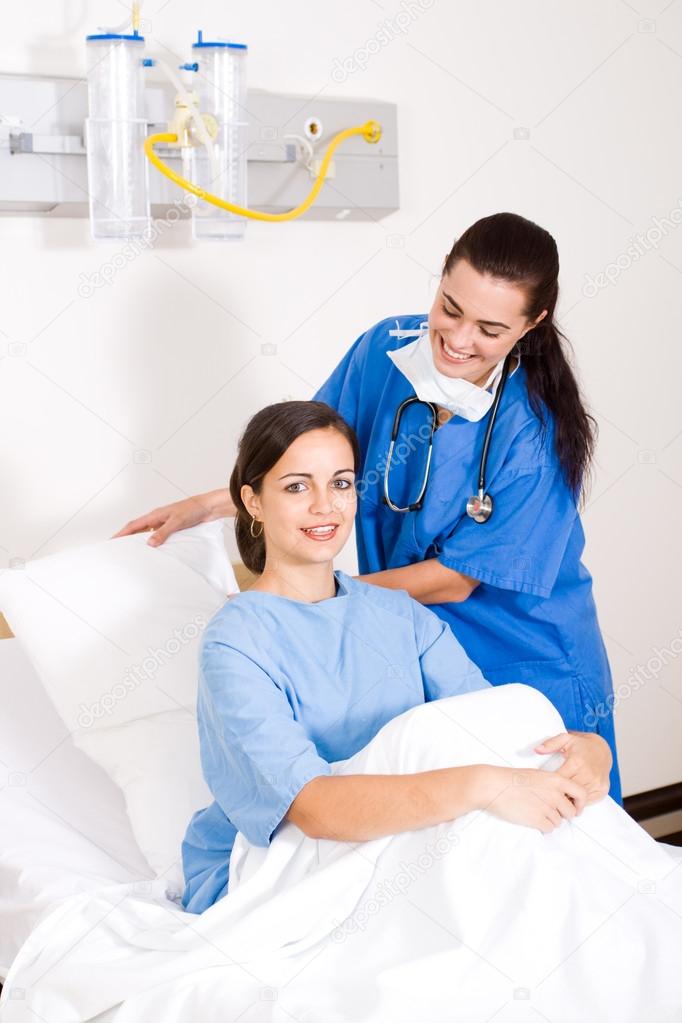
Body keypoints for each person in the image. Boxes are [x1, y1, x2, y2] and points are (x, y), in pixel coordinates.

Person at [115, 212, 622, 804]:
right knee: (438, 811)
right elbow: (307, 454)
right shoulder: (384, 352)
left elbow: (455, 581)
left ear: (532, 324)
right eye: (450, 309)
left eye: (489, 328)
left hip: (522, 654)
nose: (458, 341)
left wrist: (317, 602)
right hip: (409, 641)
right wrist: (215, 504)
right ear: (438, 282)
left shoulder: (534, 431)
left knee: (555, 826)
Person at [181, 400, 611, 914]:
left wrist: (588, 752)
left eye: (340, 483)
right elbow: (314, 810)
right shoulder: (236, 639)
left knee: (539, 846)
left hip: (403, 830)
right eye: (297, 486)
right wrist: (481, 784)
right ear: (252, 502)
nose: (325, 506)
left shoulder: (399, 615)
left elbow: (491, 729)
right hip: (278, 862)